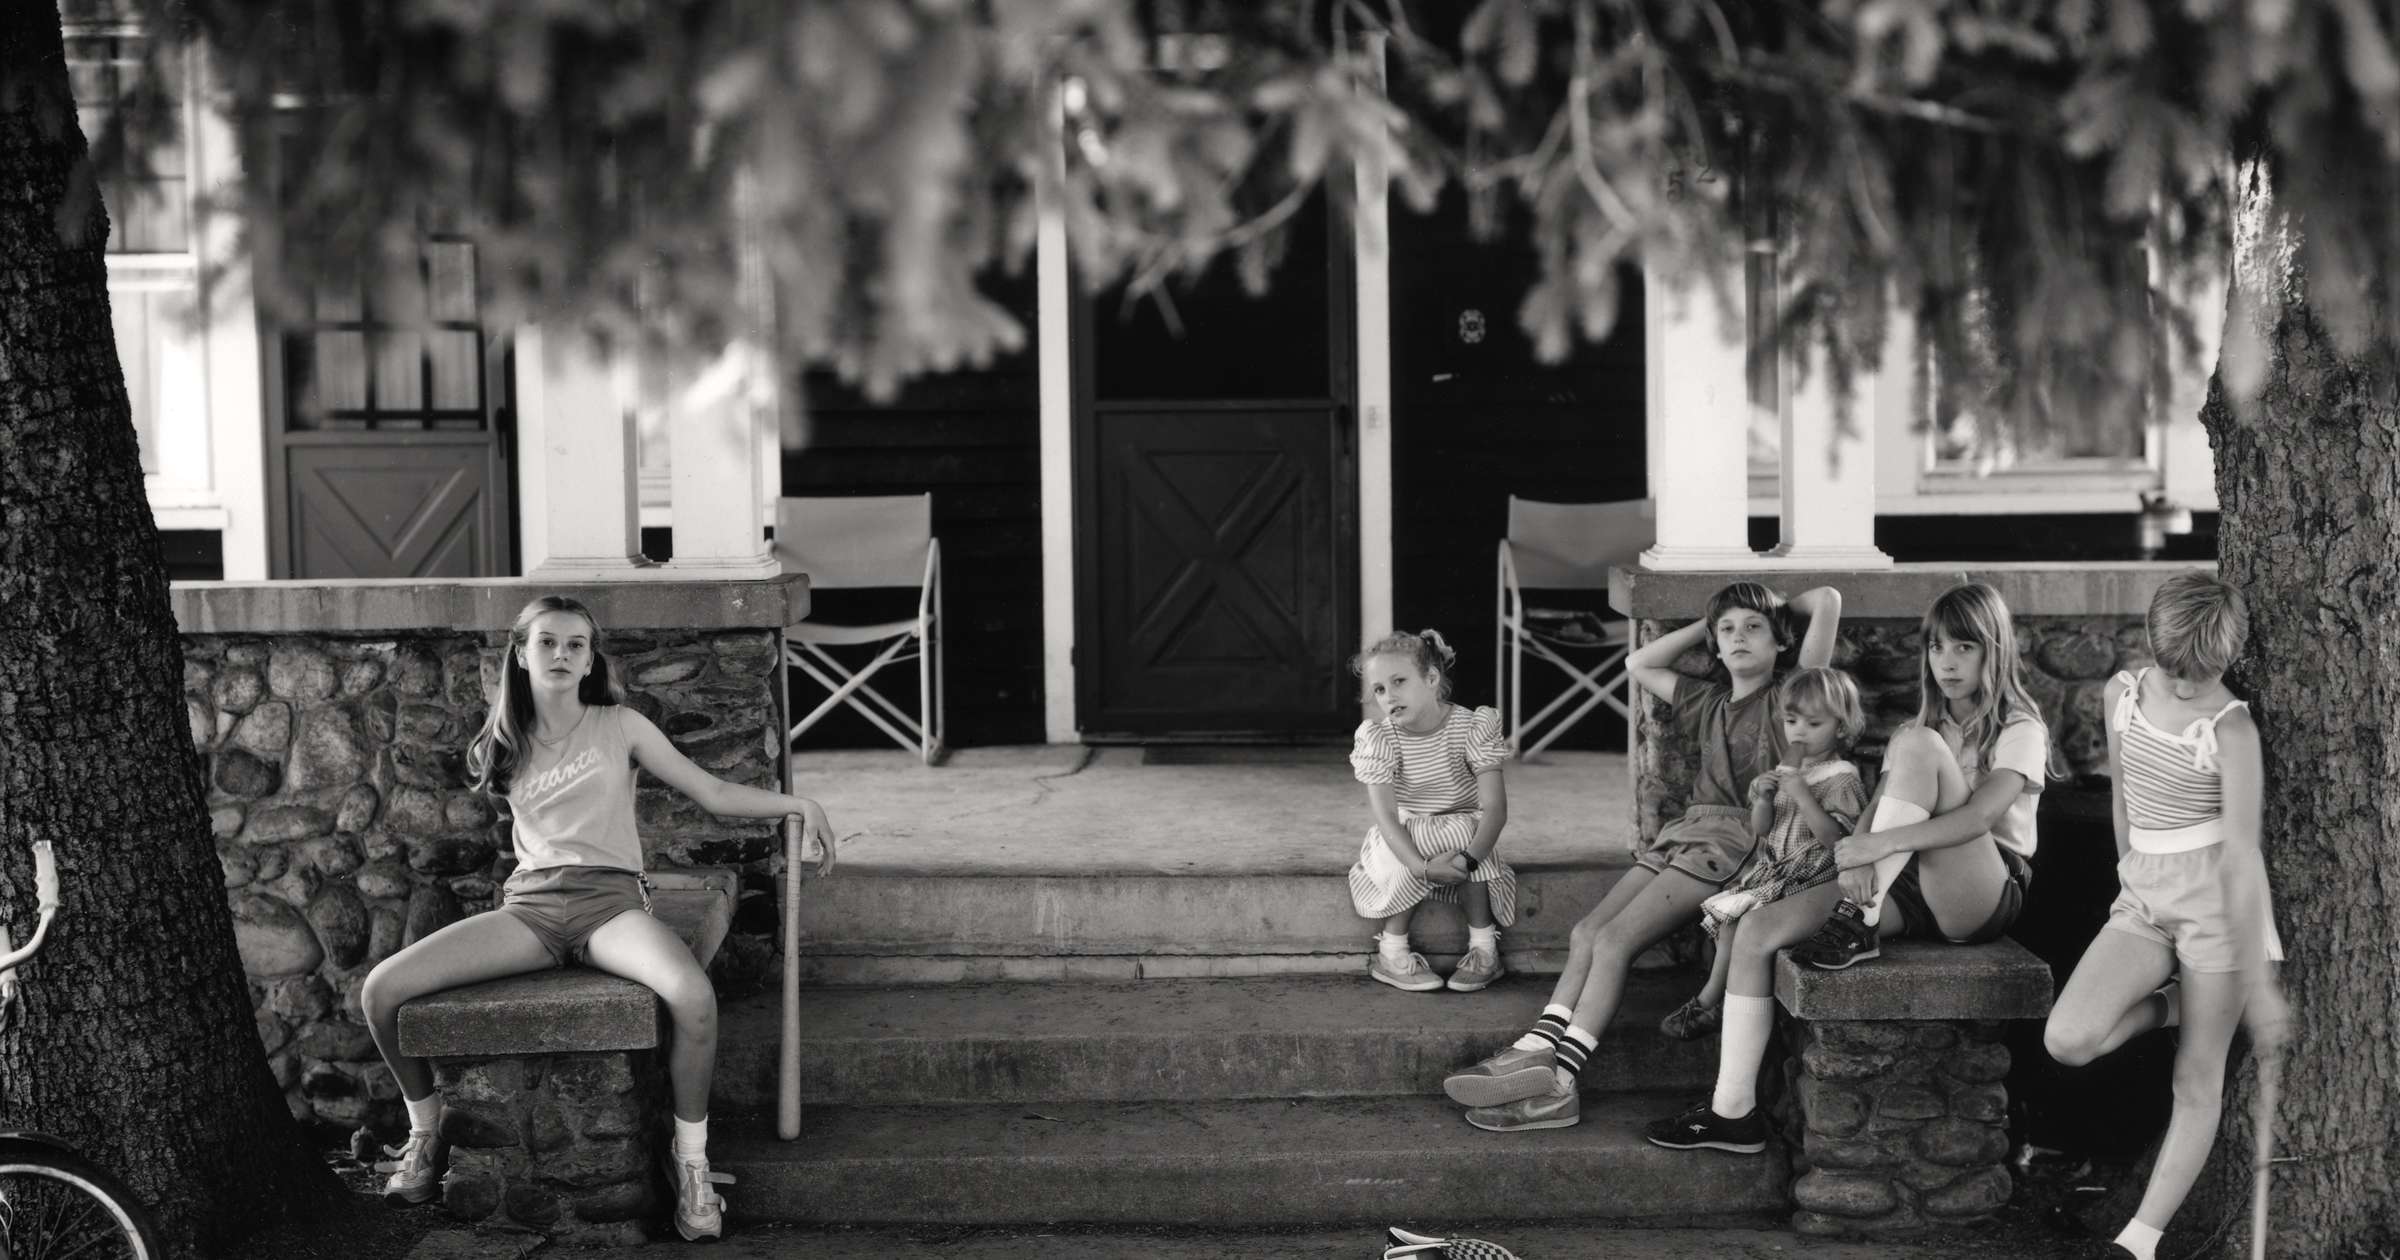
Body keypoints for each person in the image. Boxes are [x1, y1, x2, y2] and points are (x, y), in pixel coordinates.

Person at [358, 595, 838, 1242]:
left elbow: (714, 793)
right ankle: (424, 1130)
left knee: (693, 996)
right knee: (381, 991)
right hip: (530, 909)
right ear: (521, 654)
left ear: (591, 658)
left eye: (576, 644)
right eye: (548, 642)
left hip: (610, 906)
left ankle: (690, 1163)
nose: (561, 654)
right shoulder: (500, 740)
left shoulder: (621, 725)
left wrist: (800, 802)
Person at [1442, 582, 1843, 1132]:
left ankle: (1559, 1084)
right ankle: (1537, 1046)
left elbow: (1827, 600)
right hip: (1685, 832)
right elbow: (1639, 660)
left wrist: (1770, 609)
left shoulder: (1790, 699)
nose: (1738, 638)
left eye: (1754, 628)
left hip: (1731, 842)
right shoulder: (1709, 699)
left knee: (1614, 941)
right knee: (1587, 931)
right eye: (1727, 631)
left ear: (1781, 642)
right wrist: (1711, 622)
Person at [2040, 572, 2290, 1260]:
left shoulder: (2232, 730)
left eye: (2202, 673)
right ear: (2152, 642)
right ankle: (2183, 1002)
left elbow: (2242, 856)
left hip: (2216, 911)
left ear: (2228, 660)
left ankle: (2140, 1241)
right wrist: (2130, 880)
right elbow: (2124, 798)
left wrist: (2262, 988)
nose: (2185, 685)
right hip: (2144, 894)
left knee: (2195, 1079)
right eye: (2176, 669)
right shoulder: (2122, 693)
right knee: (2069, 1038)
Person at [1645, 667, 1869, 1152]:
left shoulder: (1842, 778)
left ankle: (1709, 1003)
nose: (1799, 734)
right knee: (1728, 928)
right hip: (1776, 868)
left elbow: (1839, 840)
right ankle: (1712, 1001)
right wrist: (1763, 798)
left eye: (1813, 724)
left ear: (1842, 729)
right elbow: (1763, 829)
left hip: (1813, 875)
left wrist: (1802, 793)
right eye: (1792, 722)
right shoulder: (1794, 773)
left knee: (1738, 926)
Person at [1788, 582, 2054, 972]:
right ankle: (1858, 918)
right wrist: (1858, 860)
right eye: (1937, 647)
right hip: (1913, 875)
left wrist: (1879, 845)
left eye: (1964, 647)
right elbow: (1879, 804)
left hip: (1983, 886)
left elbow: (1979, 817)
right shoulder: (1916, 730)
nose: (1947, 662)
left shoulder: (2020, 728)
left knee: (1920, 743)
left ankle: (1859, 920)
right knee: (1766, 928)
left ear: (1993, 650)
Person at [1346, 629, 1516, 993]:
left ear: (1432, 678)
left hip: (1465, 843)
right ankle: (1392, 951)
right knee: (1418, 833)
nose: (1388, 696)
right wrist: (1421, 867)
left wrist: (1467, 861)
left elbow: (1496, 810)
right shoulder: (1380, 738)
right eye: (1378, 689)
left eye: (1399, 682)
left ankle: (1484, 948)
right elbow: (1387, 819)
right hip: (1407, 841)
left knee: (1461, 830)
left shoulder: (1472, 727)